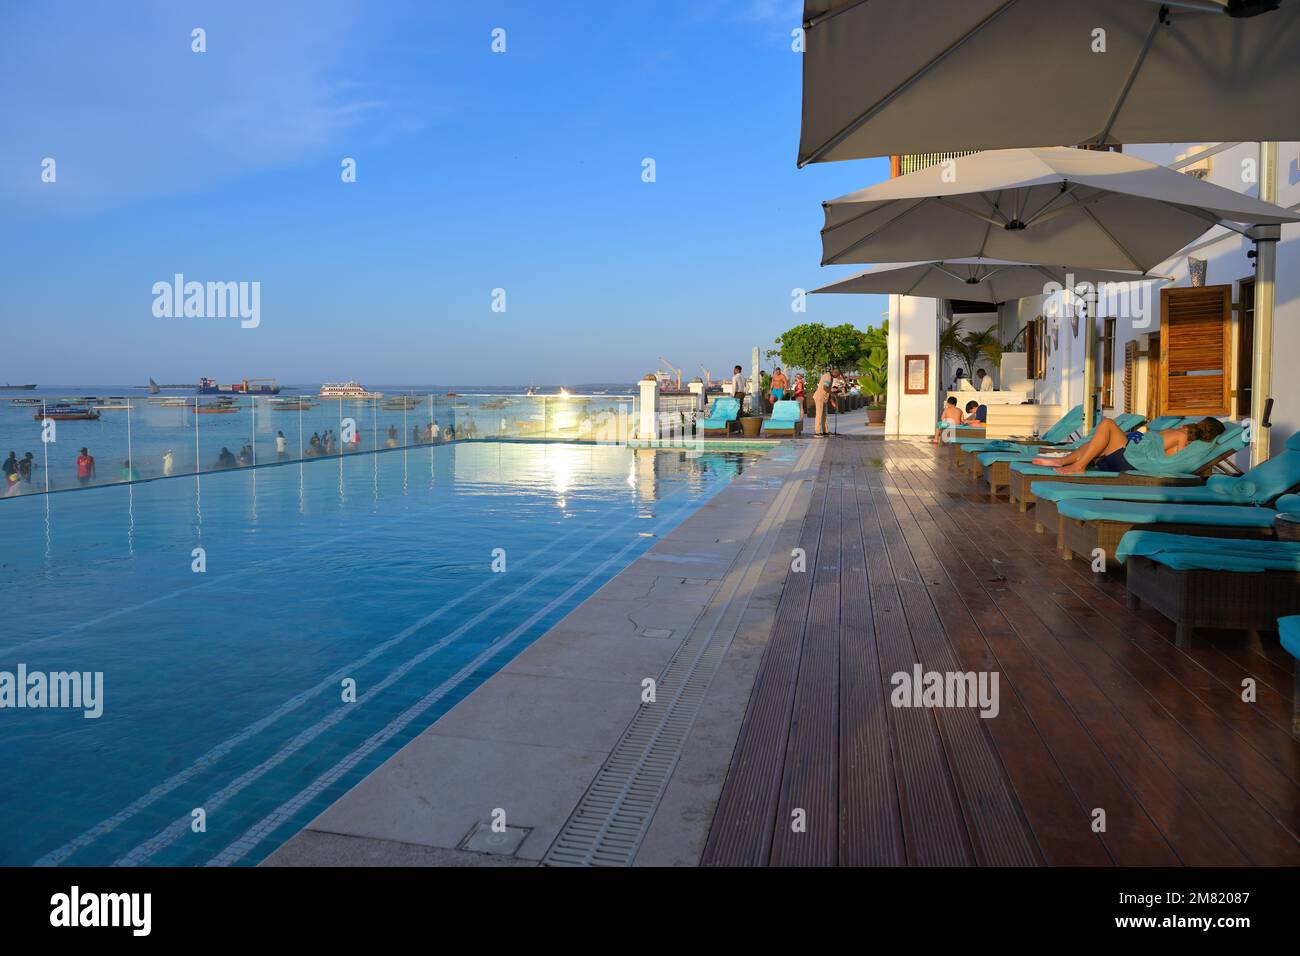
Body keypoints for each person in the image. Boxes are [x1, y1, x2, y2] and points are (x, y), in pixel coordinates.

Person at [1031, 416, 1225, 475]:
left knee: (1107, 424)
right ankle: (1065, 461)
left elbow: (1175, 462)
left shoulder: (1182, 437)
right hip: (1125, 455)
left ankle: (1078, 465)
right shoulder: (1180, 433)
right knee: (1099, 440)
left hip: (1130, 460)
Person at [812, 370, 835, 438]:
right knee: (819, 414)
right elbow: (825, 388)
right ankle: (817, 432)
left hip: (824, 398)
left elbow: (828, 389)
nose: (838, 376)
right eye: (838, 375)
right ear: (835, 373)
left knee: (824, 415)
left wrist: (832, 401)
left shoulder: (830, 377)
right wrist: (833, 394)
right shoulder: (828, 377)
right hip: (820, 397)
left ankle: (825, 431)